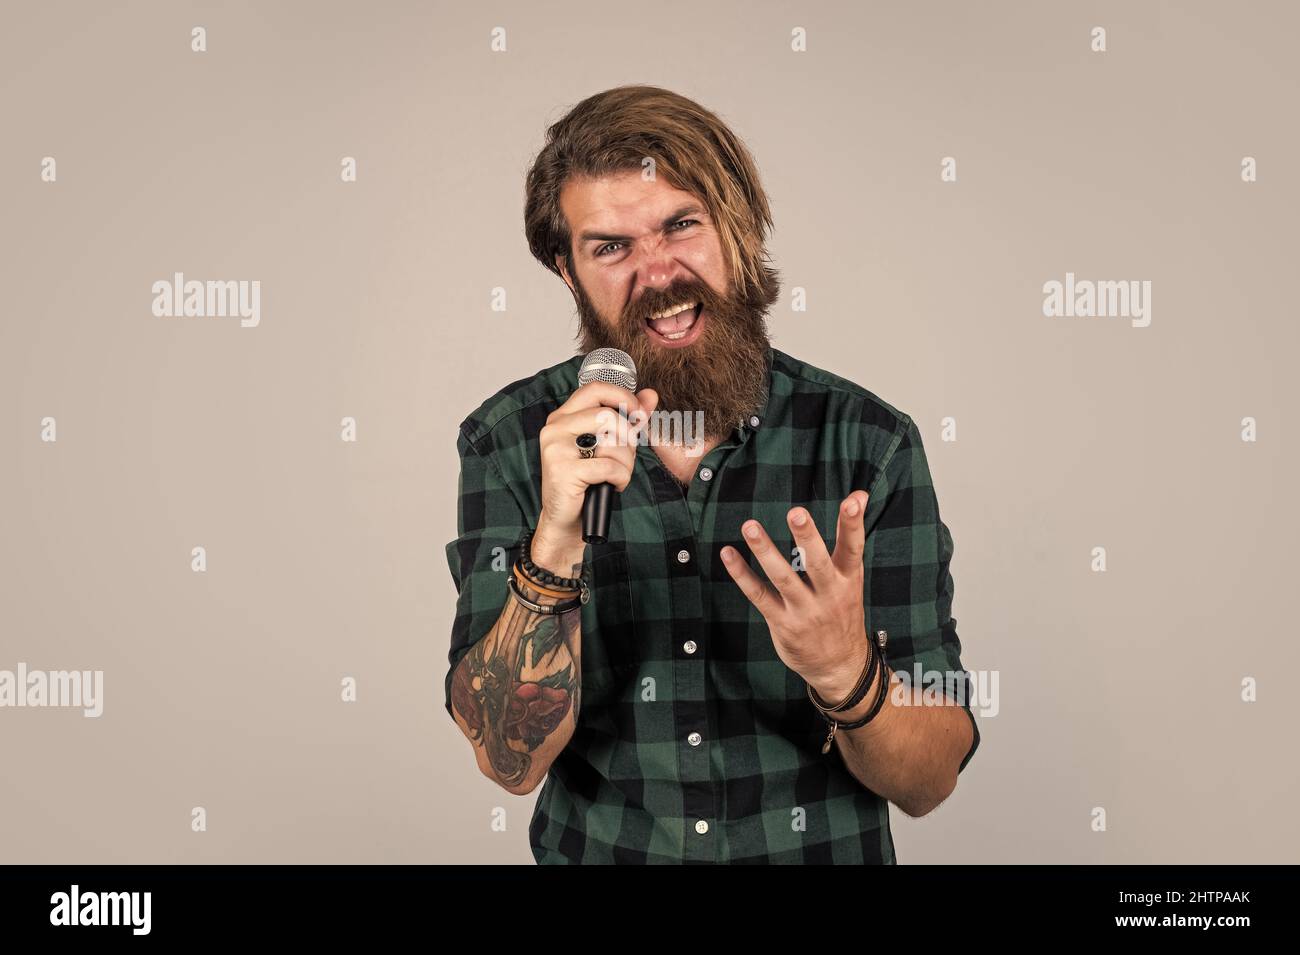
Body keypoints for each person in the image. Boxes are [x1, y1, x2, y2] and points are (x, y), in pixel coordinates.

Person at [443, 85, 979, 864]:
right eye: (610, 246)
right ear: (567, 271)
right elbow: (506, 760)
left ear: (738, 226)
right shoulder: (509, 441)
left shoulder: (868, 443)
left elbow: (930, 778)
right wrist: (555, 541)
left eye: (680, 225)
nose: (658, 272)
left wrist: (847, 673)